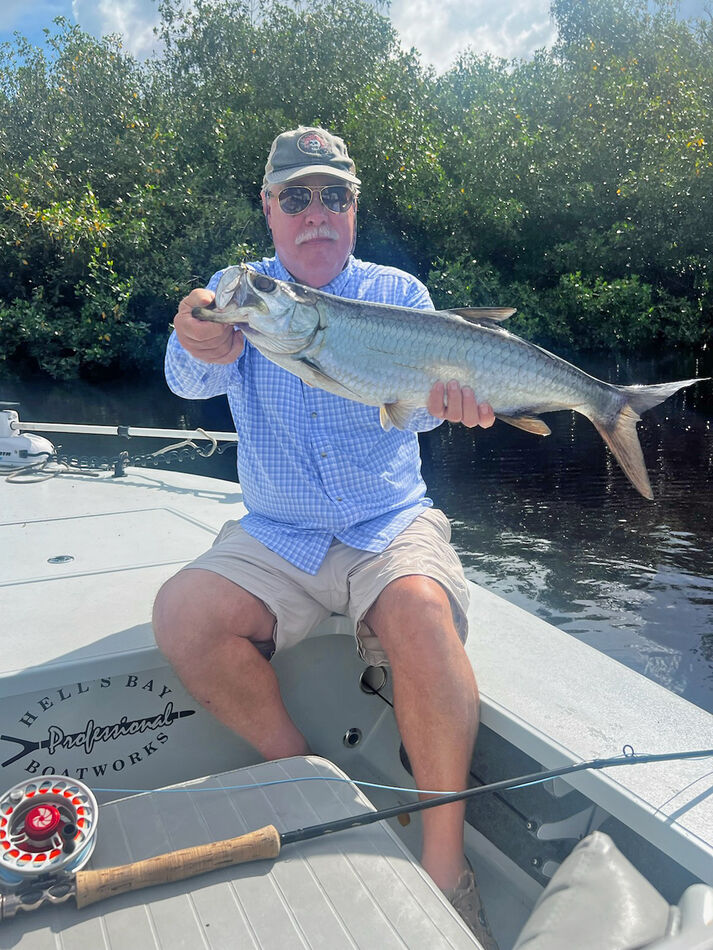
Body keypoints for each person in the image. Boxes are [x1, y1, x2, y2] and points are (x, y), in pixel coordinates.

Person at [153, 126, 498, 947]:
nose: (316, 214)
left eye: (332, 196)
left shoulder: (398, 294)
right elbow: (189, 374)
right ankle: (308, 776)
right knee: (182, 614)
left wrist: (461, 405)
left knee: (420, 611)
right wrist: (195, 335)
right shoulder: (240, 293)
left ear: (352, 208)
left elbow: (423, 400)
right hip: (279, 532)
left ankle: (445, 866)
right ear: (268, 210)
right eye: (296, 197)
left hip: (385, 521)